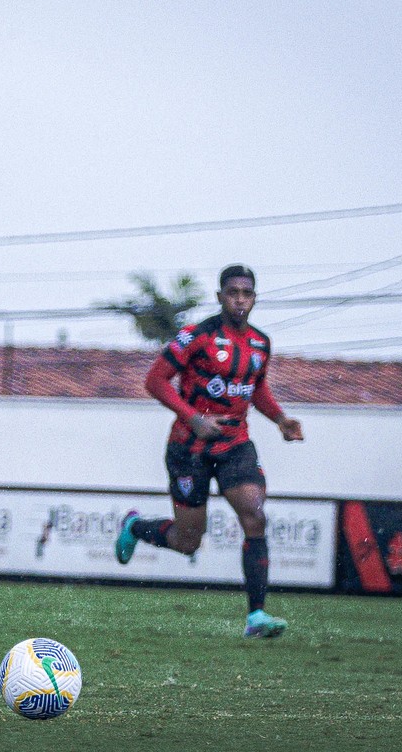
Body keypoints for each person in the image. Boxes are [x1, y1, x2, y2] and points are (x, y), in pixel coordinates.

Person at [114, 264, 303, 638]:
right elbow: (155, 381)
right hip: (189, 448)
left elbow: (255, 388)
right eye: (232, 292)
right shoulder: (195, 337)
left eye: (246, 293)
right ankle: (135, 527)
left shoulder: (261, 344)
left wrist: (280, 419)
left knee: (254, 515)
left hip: (235, 445)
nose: (239, 300)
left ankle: (257, 616)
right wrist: (193, 417)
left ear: (254, 298)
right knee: (188, 541)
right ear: (220, 297)